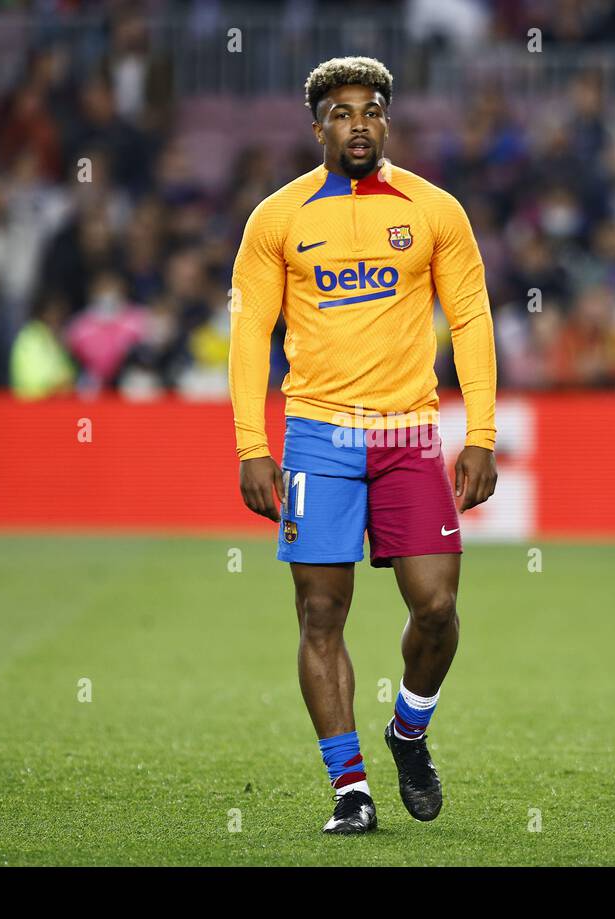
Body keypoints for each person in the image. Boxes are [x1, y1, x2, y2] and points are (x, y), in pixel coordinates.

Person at [227, 56, 498, 835]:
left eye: (372, 111)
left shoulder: (435, 208)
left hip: (411, 435)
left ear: (387, 121)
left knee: (438, 608)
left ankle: (408, 730)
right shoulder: (278, 218)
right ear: (317, 127)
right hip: (316, 438)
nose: (359, 125)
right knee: (320, 612)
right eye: (342, 113)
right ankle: (350, 786)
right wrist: (252, 444)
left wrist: (479, 432)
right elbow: (251, 334)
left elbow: (473, 320)